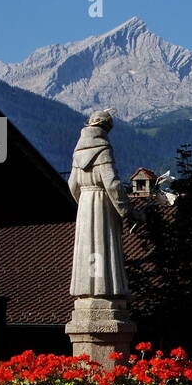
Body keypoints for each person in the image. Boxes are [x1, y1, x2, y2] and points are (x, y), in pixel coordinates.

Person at [68, 109, 136, 297]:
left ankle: (85, 289)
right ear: (106, 128)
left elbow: (72, 184)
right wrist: (126, 210)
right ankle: (104, 291)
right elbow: (112, 184)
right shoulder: (103, 148)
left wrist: (82, 203)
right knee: (102, 244)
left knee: (87, 247)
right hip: (102, 203)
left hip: (84, 203)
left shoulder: (78, 151)